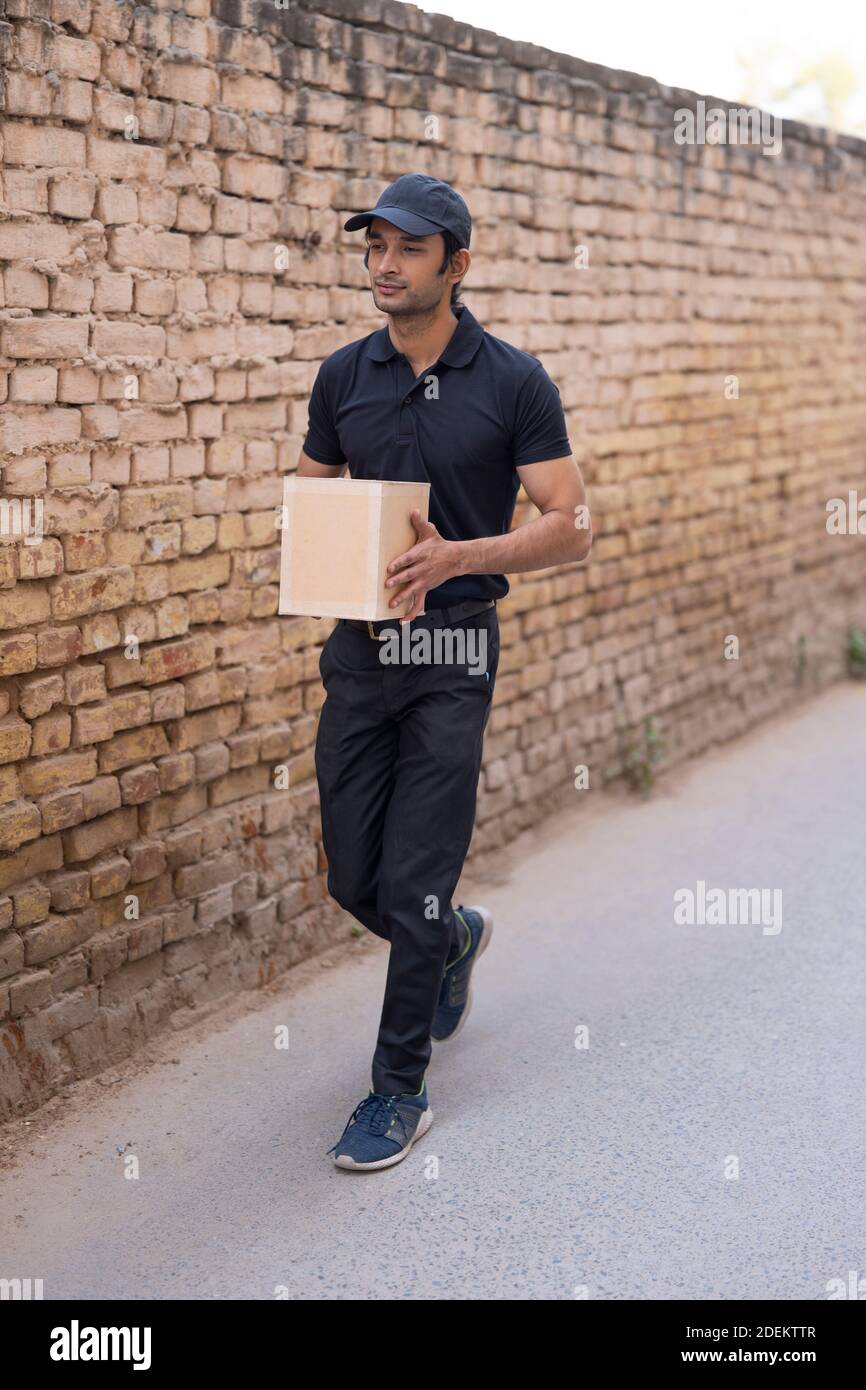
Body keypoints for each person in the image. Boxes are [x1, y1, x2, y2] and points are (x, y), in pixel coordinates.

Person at [297, 173, 592, 1170]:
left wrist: (457, 556)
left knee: (416, 875)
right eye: (373, 243)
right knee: (353, 873)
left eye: (408, 247)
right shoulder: (341, 374)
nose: (383, 262)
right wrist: (324, 546)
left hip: (452, 652)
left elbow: (570, 526)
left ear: (454, 266)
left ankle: (396, 1087)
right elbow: (313, 489)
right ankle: (454, 938)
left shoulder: (513, 382)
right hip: (359, 650)